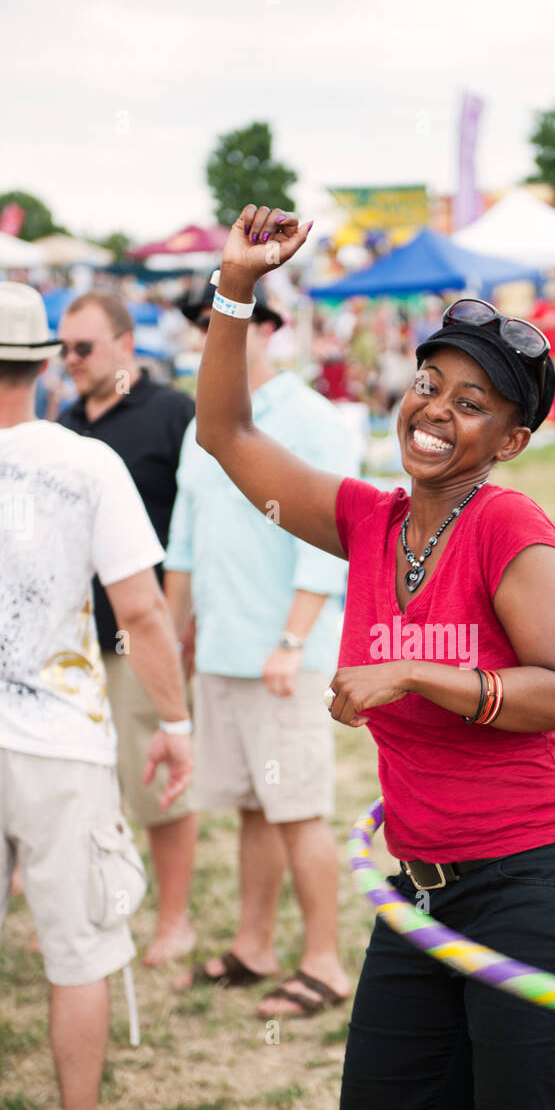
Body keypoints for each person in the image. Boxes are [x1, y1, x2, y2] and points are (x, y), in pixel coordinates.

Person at [195, 205, 555, 1110]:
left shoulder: (511, 531)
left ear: (510, 439)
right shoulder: (365, 520)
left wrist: (420, 674)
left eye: (471, 402)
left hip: (548, 888)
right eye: (430, 385)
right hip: (423, 899)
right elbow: (226, 438)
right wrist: (234, 290)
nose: (436, 410)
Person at [0, 282, 193, 1110]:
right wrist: (177, 724)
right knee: (79, 954)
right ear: (45, 362)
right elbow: (142, 614)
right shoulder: (88, 464)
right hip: (61, 740)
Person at [168, 274, 354, 1019]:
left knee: (298, 810)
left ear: (268, 328)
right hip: (220, 651)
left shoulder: (308, 418)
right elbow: (184, 542)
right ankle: (254, 946)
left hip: (285, 657)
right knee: (250, 808)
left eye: (229, 321)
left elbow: (332, 539)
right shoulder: (200, 423)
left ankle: (325, 963)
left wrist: (292, 639)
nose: (212, 336)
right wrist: (174, 633)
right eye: (205, 324)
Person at [57, 291, 198, 967]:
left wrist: (183, 626)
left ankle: (175, 922)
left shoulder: (174, 413)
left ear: (125, 344)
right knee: (85, 784)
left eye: (83, 347)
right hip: (72, 641)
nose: (70, 361)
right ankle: (101, 908)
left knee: (158, 789)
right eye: (63, 348)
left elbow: (199, 529)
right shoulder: (63, 424)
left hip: (144, 633)